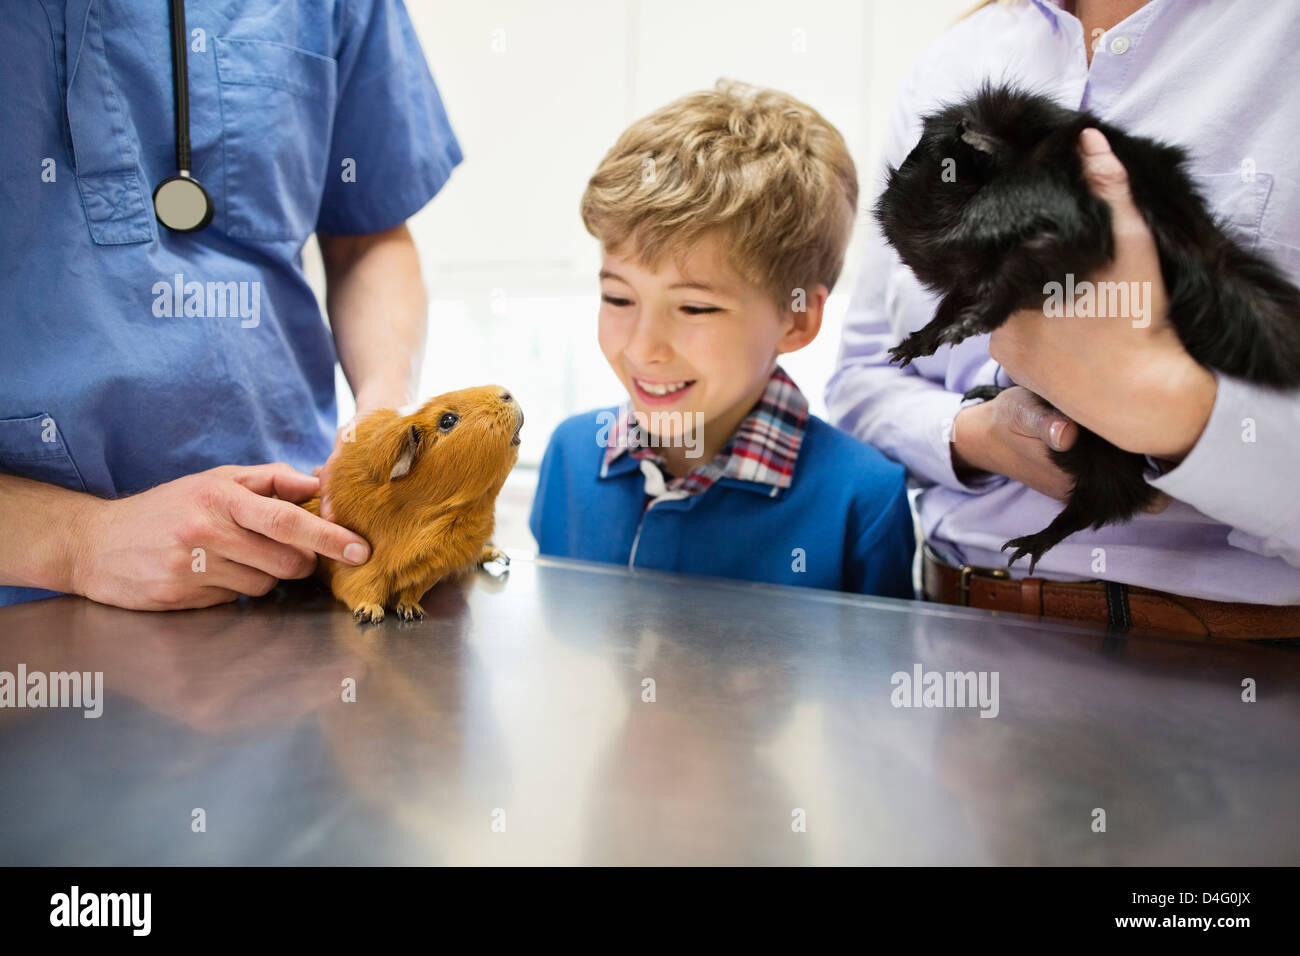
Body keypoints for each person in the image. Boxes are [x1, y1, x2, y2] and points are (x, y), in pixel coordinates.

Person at [827, 0, 1300, 637]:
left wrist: (1174, 408)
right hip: (955, 628)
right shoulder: (956, 57)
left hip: (1243, 664)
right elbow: (860, 384)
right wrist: (976, 436)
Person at [0, 0, 460, 609]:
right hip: (30, 608)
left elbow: (368, 236)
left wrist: (383, 415)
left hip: (296, 563)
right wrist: (77, 540)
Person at [529, 82, 915, 597]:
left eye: (694, 308)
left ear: (796, 320)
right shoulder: (572, 456)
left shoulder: (861, 499)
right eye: (619, 299)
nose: (643, 347)